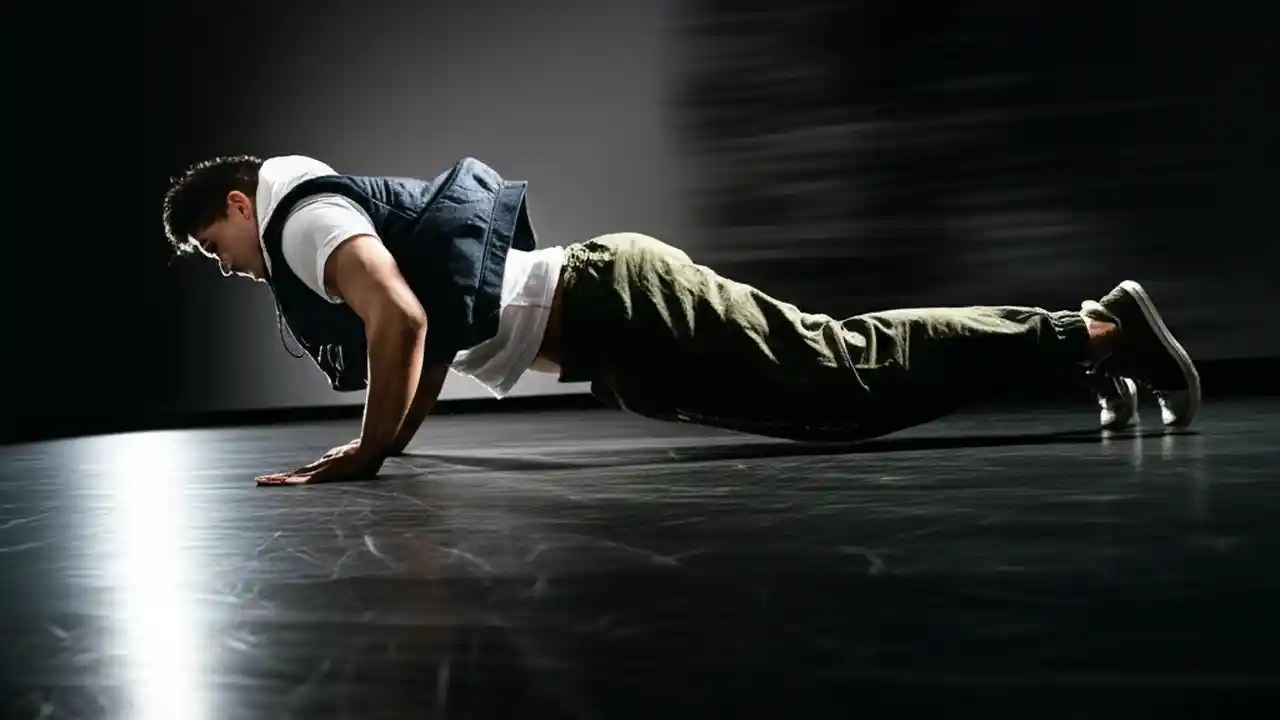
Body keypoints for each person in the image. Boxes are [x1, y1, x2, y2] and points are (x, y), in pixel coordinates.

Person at [161, 154, 1201, 486]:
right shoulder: (319, 213)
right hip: (619, 321)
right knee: (839, 398)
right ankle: (1076, 355)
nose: (231, 269)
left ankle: (1095, 332)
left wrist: (369, 454)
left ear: (237, 207)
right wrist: (376, 440)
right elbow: (421, 333)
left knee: (843, 372)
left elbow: (395, 322)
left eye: (216, 248)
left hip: (619, 306)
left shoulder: (299, 219)